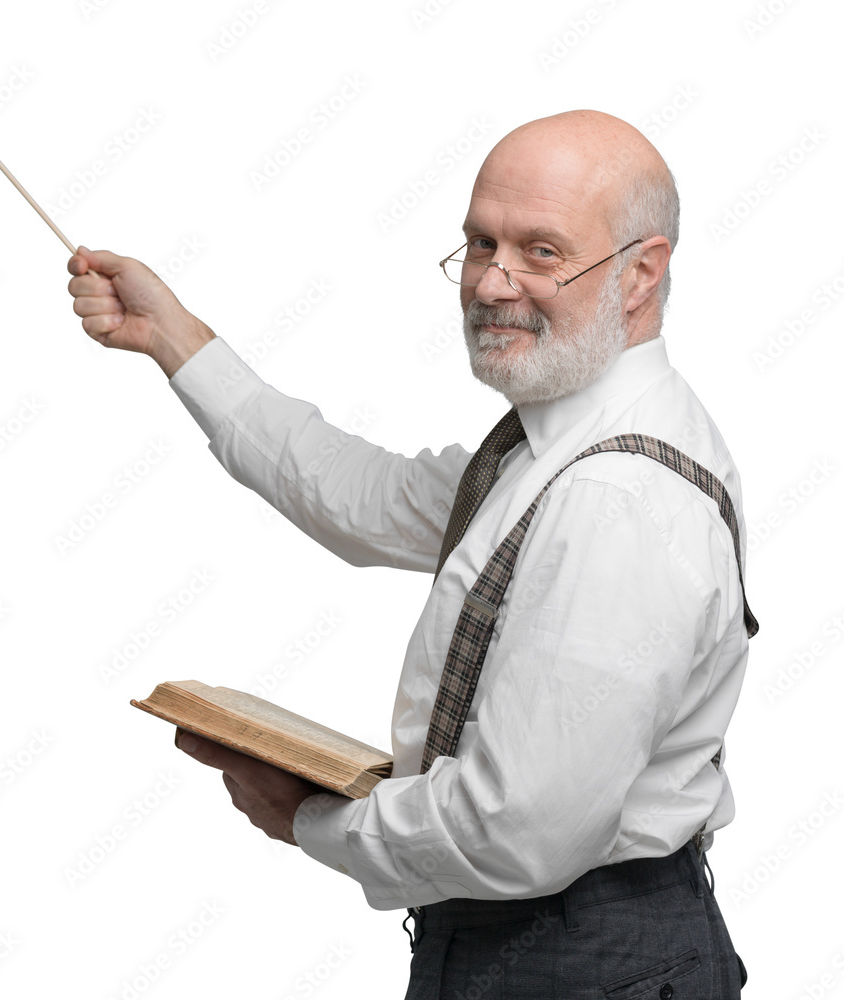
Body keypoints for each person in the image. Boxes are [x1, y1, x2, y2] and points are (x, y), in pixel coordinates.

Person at [67, 110, 753, 998]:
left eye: (541, 251)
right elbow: (361, 495)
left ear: (641, 275)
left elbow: (520, 830)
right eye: (480, 243)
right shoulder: (551, 447)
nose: (492, 283)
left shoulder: (614, 503)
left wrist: (311, 818)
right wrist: (171, 336)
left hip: (582, 961)